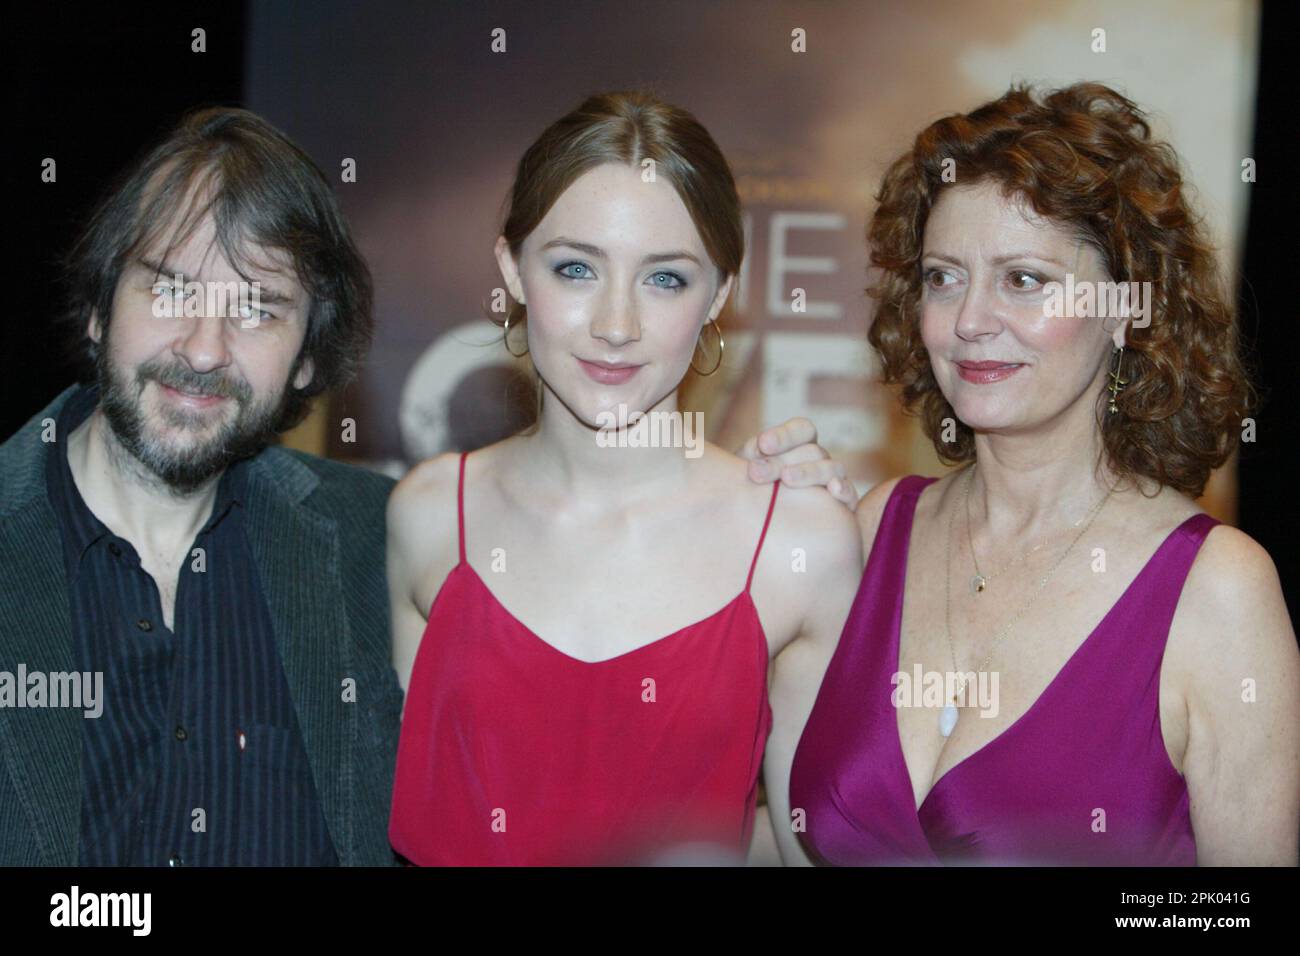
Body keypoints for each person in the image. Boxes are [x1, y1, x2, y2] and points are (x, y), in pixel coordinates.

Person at [0, 105, 838, 866]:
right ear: (99, 306)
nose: (206, 347)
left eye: (258, 306)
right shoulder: (423, 527)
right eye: (173, 287)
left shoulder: (363, 533)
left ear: (306, 353)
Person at [772, 82, 1300, 865]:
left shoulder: (1216, 590)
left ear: (1126, 306)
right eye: (944, 277)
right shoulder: (874, 525)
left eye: (1023, 279)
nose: (971, 320)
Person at [386, 90, 864, 866]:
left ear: (720, 294)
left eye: (665, 279)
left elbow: (808, 848)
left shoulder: (799, 543)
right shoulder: (428, 514)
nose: (616, 324)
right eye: (575, 268)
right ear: (511, 269)